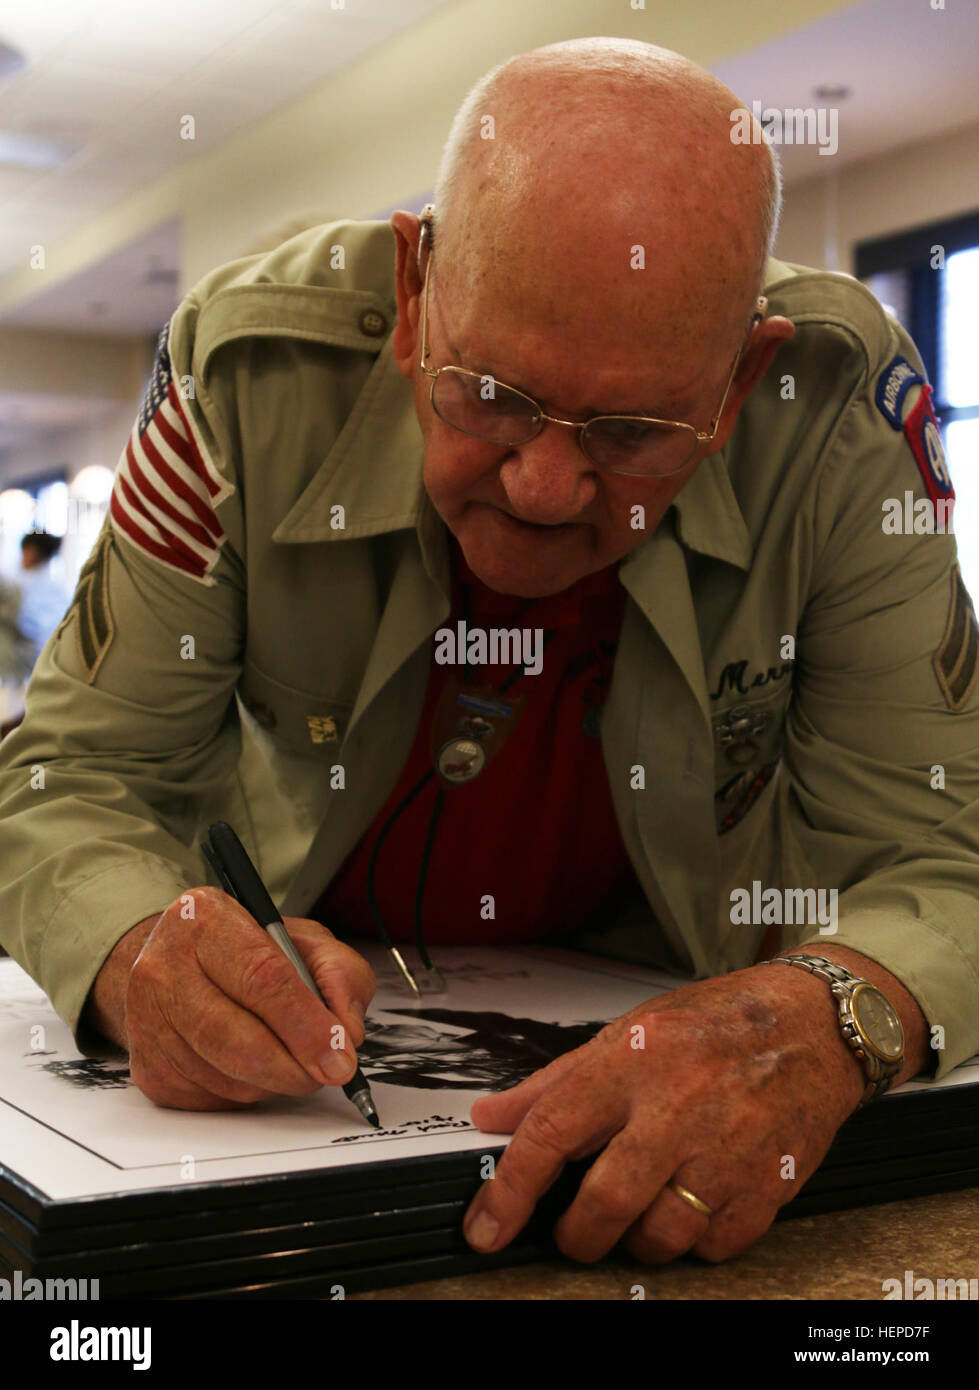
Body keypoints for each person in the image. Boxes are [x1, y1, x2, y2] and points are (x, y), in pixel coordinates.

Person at [0, 37, 977, 1270]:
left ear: (738, 387)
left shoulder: (835, 417)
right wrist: (143, 951)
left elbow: (947, 848)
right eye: (491, 394)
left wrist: (828, 1016)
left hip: (668, 1018)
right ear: (414, 300)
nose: (544, 484)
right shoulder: (244, 374)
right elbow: (69, 780)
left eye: (632, 432)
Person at [14, 531, 72, 666]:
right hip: (54, 660)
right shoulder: (61, 587)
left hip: (24, 659)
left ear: (31, 552)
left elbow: (24, 626)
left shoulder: (20, 584)